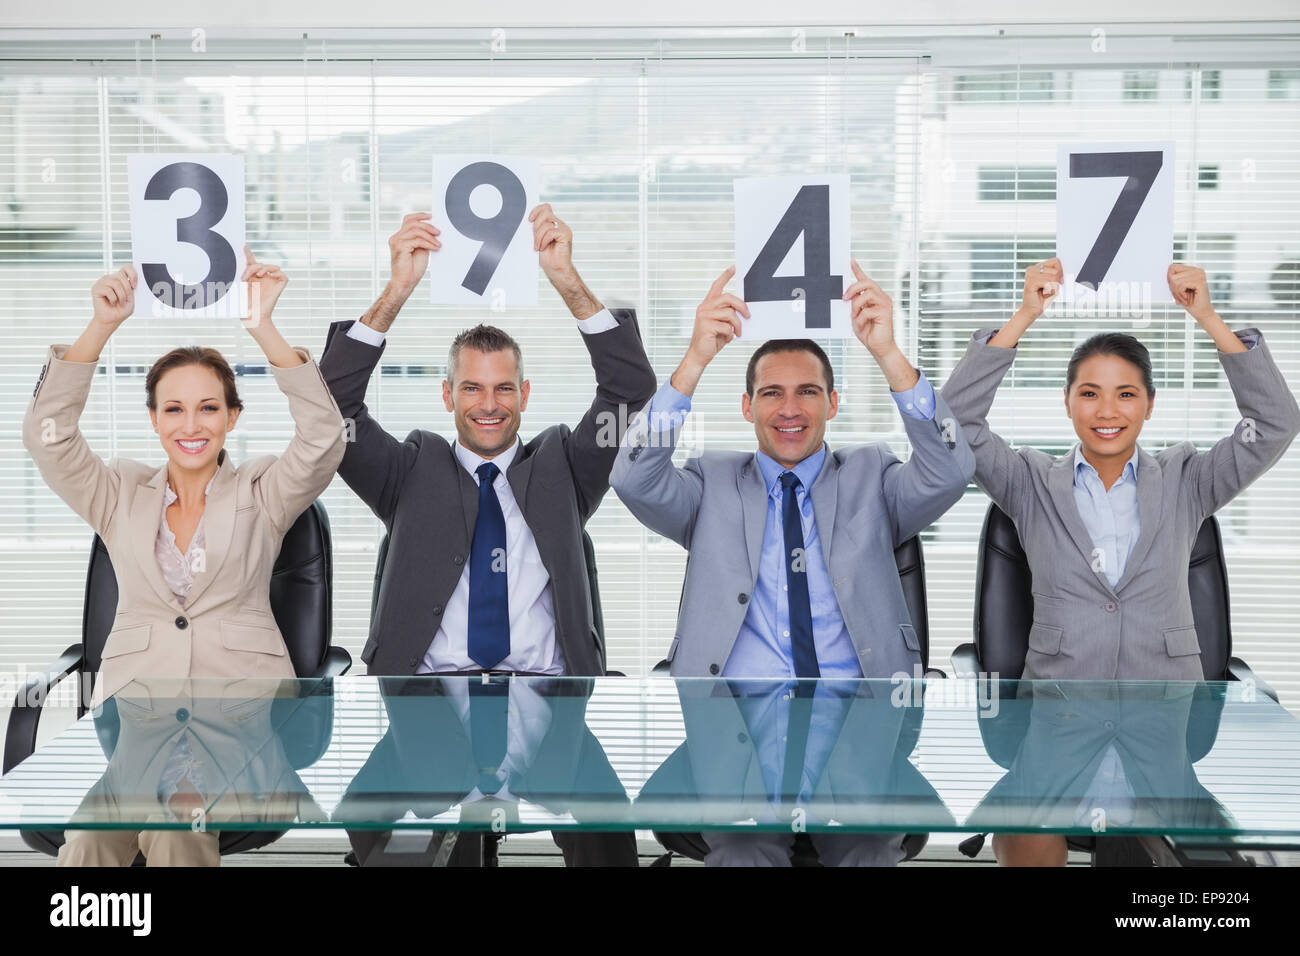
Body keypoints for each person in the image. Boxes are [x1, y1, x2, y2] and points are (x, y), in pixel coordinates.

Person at [318, 206, 656, 867]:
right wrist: (397, 292)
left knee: (610, 850)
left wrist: (566, 279)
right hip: (428, 702)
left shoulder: (565, 466)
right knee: (392, 845)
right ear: (447, 395)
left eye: (504, 387)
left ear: (525, 393)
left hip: (549, 702)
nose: (489, 403)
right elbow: (331, 407)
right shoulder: (410, 470)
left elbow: (629, 388)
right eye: (471, 387)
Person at [610, 263, 975, 866]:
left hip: (857, 714)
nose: (790, 408)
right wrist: (695, 359)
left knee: (867, 852)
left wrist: (887, 352)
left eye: (807, 390)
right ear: (748, 405)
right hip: (735, 720)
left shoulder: (871, 478)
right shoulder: (712, 482)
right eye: (772, 393)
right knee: (744, 854)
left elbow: (952, 469)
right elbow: (632, 476)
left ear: (832, 402)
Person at [941, 259, 1300, 865]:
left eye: (1126, 393)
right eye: (1090, 393)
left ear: (1149, 405)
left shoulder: (1188, 480)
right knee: (1027, 838)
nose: (1108, 409)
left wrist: (1207, 318)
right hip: (1057, 718)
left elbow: (1274, 423)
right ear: (1068, 403)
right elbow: (953, 424)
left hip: (1162, 720)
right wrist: (1025, 314)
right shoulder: (1029, 483)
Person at [22, 253, 347, 866]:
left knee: (177, 824)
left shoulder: (262, 493)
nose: (190, 424)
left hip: (239, 721)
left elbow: (324, 441)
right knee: (88, 840)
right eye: (173, 408)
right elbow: (49, 437)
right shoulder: (118, 493)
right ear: (153, 419)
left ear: (231, 418)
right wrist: (101, 328)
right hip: (136, 726)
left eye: (207, 407)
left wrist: (263, 328)